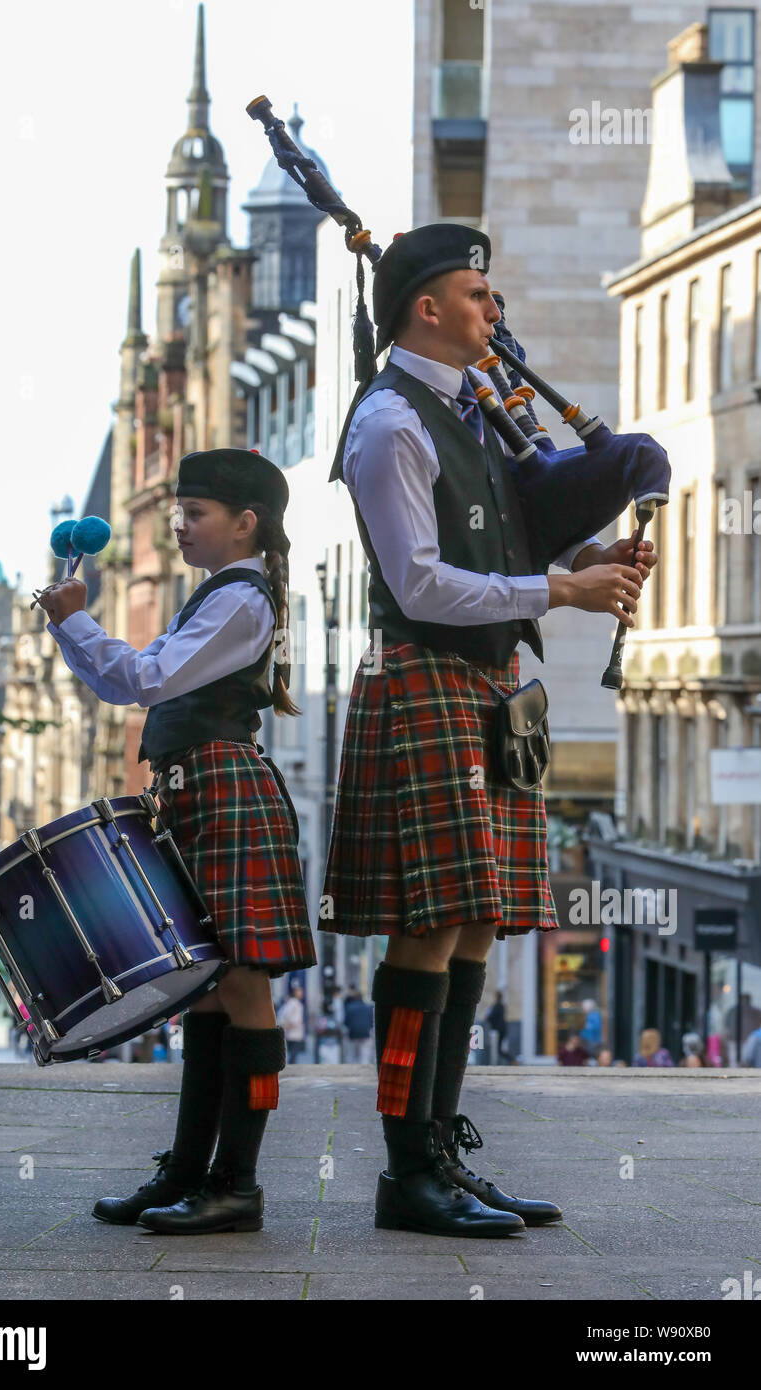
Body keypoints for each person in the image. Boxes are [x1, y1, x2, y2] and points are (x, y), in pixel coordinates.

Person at [320, 222, 662, 1237]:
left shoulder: (472, 410)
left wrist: (592, 550)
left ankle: (442, 1146)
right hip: (421, 676)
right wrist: (560, 586)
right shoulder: (389, 421)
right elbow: (418, 577)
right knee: (424, 925)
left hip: (486, 685)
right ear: (426, 307)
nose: (493, 310)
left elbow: (503, 532)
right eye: (477, 293)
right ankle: (402, 1171)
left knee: (471, 918)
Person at [37, 447, 317, 1236]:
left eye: (195, 514)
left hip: (227, 792)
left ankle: (239, 1183)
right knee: (210, 990)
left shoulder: (239, 600)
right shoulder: (219, 593)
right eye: (180, 512)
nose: (180, 525)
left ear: (245, 523)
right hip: (200, 794)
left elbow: (145, 681)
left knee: (244, 990)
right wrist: (73, 626)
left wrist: (76, 620)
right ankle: (190, 1171)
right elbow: (132, 678)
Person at [343, 989, 375, 1063]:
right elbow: (371, 1022)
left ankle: (352, 1070)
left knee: (352, 1055)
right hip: (365, 1034)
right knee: (364, 1055)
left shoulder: (350, 1008)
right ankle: (363, 1071)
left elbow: (346, 1022)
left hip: (353, 1034)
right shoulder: (369, 1007)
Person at [277, 984, 306, 1063]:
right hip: (294, 1034)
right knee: (293, 1057)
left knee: (291, 1056)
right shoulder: (295, 1004)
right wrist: (288, 1025)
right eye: (300, 991)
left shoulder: (290, 1002)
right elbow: (294, 1020)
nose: (301, 993)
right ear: (295, 992)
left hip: (291, 1034)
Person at [484, 990, 508, 1063]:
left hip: (499, 1030)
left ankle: (512, 1060)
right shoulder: (501, 1006)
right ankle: (512, 1060)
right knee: (498, 1049)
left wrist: (487, 1017)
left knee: (498, 1049)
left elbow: (490, 1017)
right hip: (501, 1029)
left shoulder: (497, 1006)